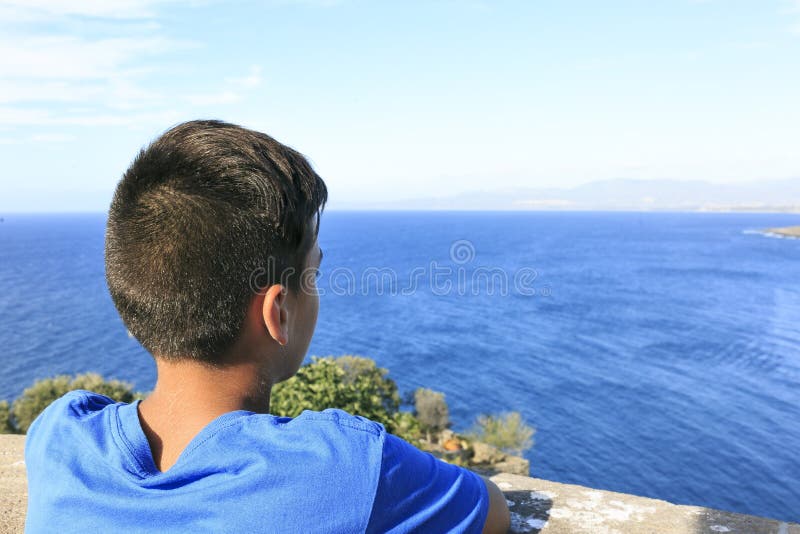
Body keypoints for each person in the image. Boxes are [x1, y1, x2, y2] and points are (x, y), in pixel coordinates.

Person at [24, 120, 511, 533]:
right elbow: (494, 510)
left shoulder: (57, 440)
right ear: (276, 313)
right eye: (314, 275)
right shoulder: (344, 469)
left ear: (136, 309)